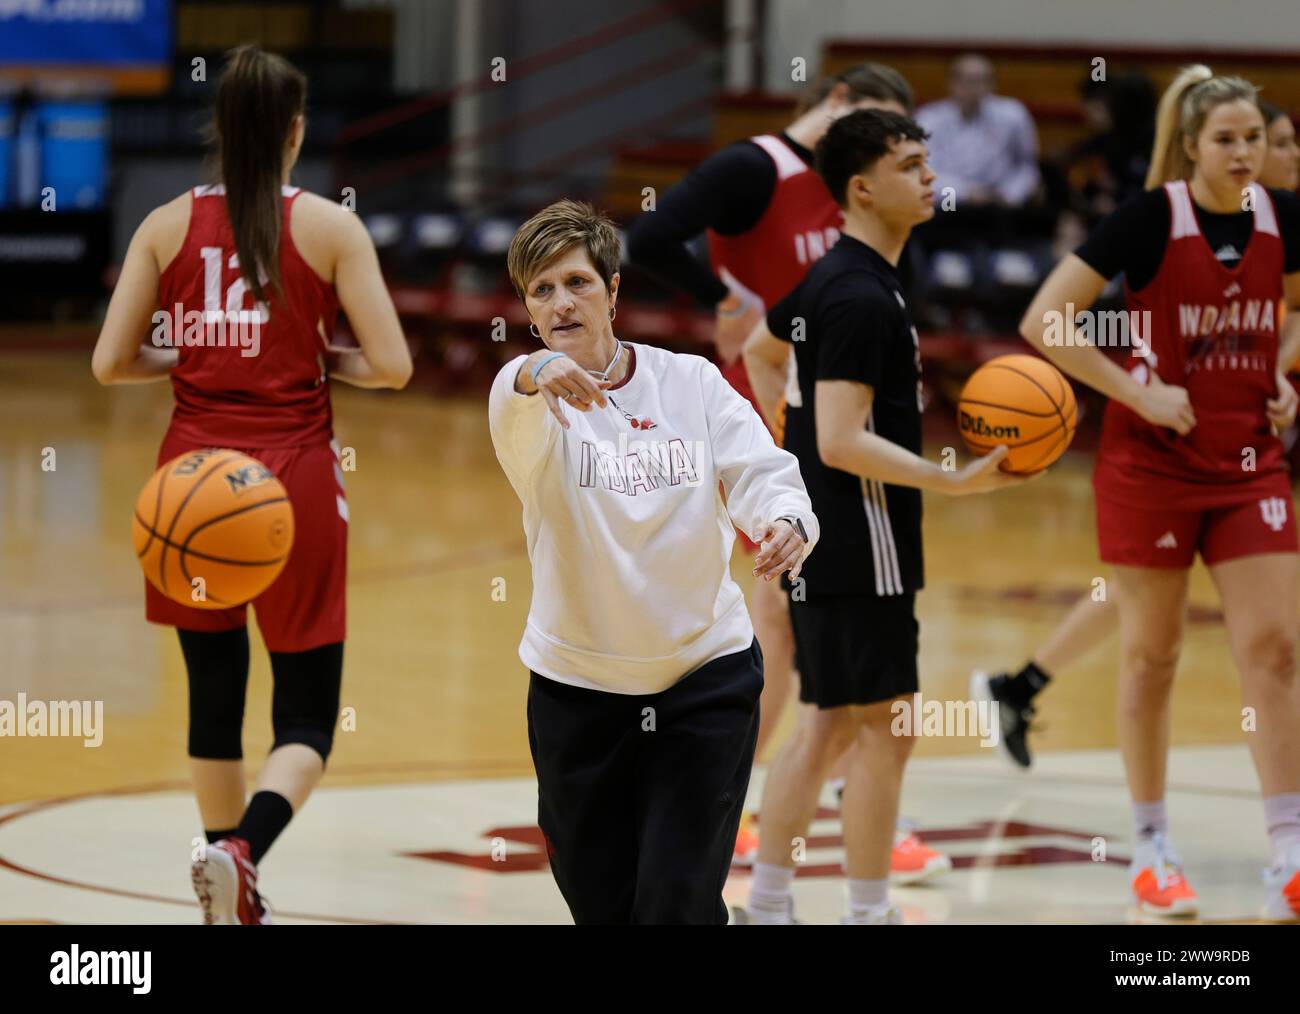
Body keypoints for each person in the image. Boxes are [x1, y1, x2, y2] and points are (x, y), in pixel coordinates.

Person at [91, 45, 412, 924]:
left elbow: (111, 363)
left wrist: (191, 354)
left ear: (218, 129)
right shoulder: (332, 229)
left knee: (213, 700)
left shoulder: (163, 224)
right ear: (297, 131)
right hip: (295, 481)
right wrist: (314, 355)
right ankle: (243, 855)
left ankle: (220, 880)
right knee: (306, 721)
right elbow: (392, 367)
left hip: (187, 485)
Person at [627, 65, 949, 878]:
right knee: (780, 633)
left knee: (803, 645)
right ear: (839, 104)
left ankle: (833, 805)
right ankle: (734, 810)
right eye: (881, 130)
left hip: (814, 416)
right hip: (764, 422)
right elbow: (651, 236)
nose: (899, 155)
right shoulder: (756, 167)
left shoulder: (861, 218)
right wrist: (723, 300)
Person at [1016, 66, 1300, 920]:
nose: (1245, 152)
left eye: (1255, 137)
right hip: (1152, 467)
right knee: (1153, 655)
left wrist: (1285, 370)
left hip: (1250, 461)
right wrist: (1136, 392)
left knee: (1277, 651)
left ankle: (1288, 850)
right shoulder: (1147, 219)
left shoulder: (1283, 218)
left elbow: (1291, 310)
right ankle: (1151, 845)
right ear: (1191, 147)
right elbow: (1045, 322)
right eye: (1227, 139)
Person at [488, 199, 819, 924]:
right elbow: (510, 395)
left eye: (575, 282)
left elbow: (762, 466)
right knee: (605, 908)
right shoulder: (529, 405)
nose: (561, 302)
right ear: (528, 313)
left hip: (704, 680)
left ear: (612, 292)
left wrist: (787, 520)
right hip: (577, 692)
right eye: (540, 291)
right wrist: (534, 372)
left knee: (673, 902)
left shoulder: (689, 383)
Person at [735, 110, 1027, 925]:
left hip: (827, 531)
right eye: (909, 164)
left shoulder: (837, 275)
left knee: (829, 724)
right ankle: (863, 912)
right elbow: (840, 437)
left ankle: (770, 903)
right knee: (880, 729)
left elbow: (760, 348)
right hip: (862, 536)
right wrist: (956, 482)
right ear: (863, 188)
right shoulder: (859, 293)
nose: (929, 177)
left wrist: (782, 456)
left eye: (927, 162)